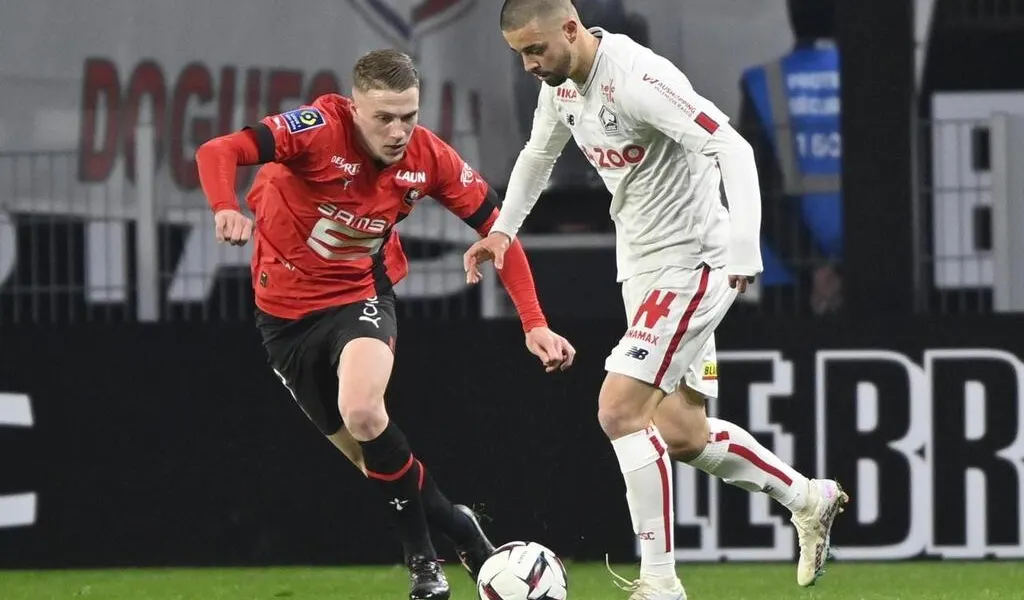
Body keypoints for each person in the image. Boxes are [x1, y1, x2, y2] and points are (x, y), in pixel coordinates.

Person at [463, 2, 848, 598]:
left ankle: (661, 584)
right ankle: (807, 498)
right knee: (683, 433)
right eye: (519, 54)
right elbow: (538, 156)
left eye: (535, 50)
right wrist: (503, 230)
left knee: (618, 410)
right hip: (643, 268)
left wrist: (744, 247)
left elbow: (734, 148)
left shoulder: (639, 79)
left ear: (571, 29)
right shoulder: (562, 86)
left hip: (696, 261)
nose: (528, 65)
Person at [196, 49, 576, 600]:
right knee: (370, 457)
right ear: (354, 109)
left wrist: (533, 323)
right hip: (283, 320)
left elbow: (501, 231)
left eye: (409, 116)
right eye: (384, 118)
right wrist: (221, 205)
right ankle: (461, 525)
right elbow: (219, 149)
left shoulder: (429, 158)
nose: (399, 131)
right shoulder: (315, 131)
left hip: (360, 296)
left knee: (365, 410)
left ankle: (423, 563)